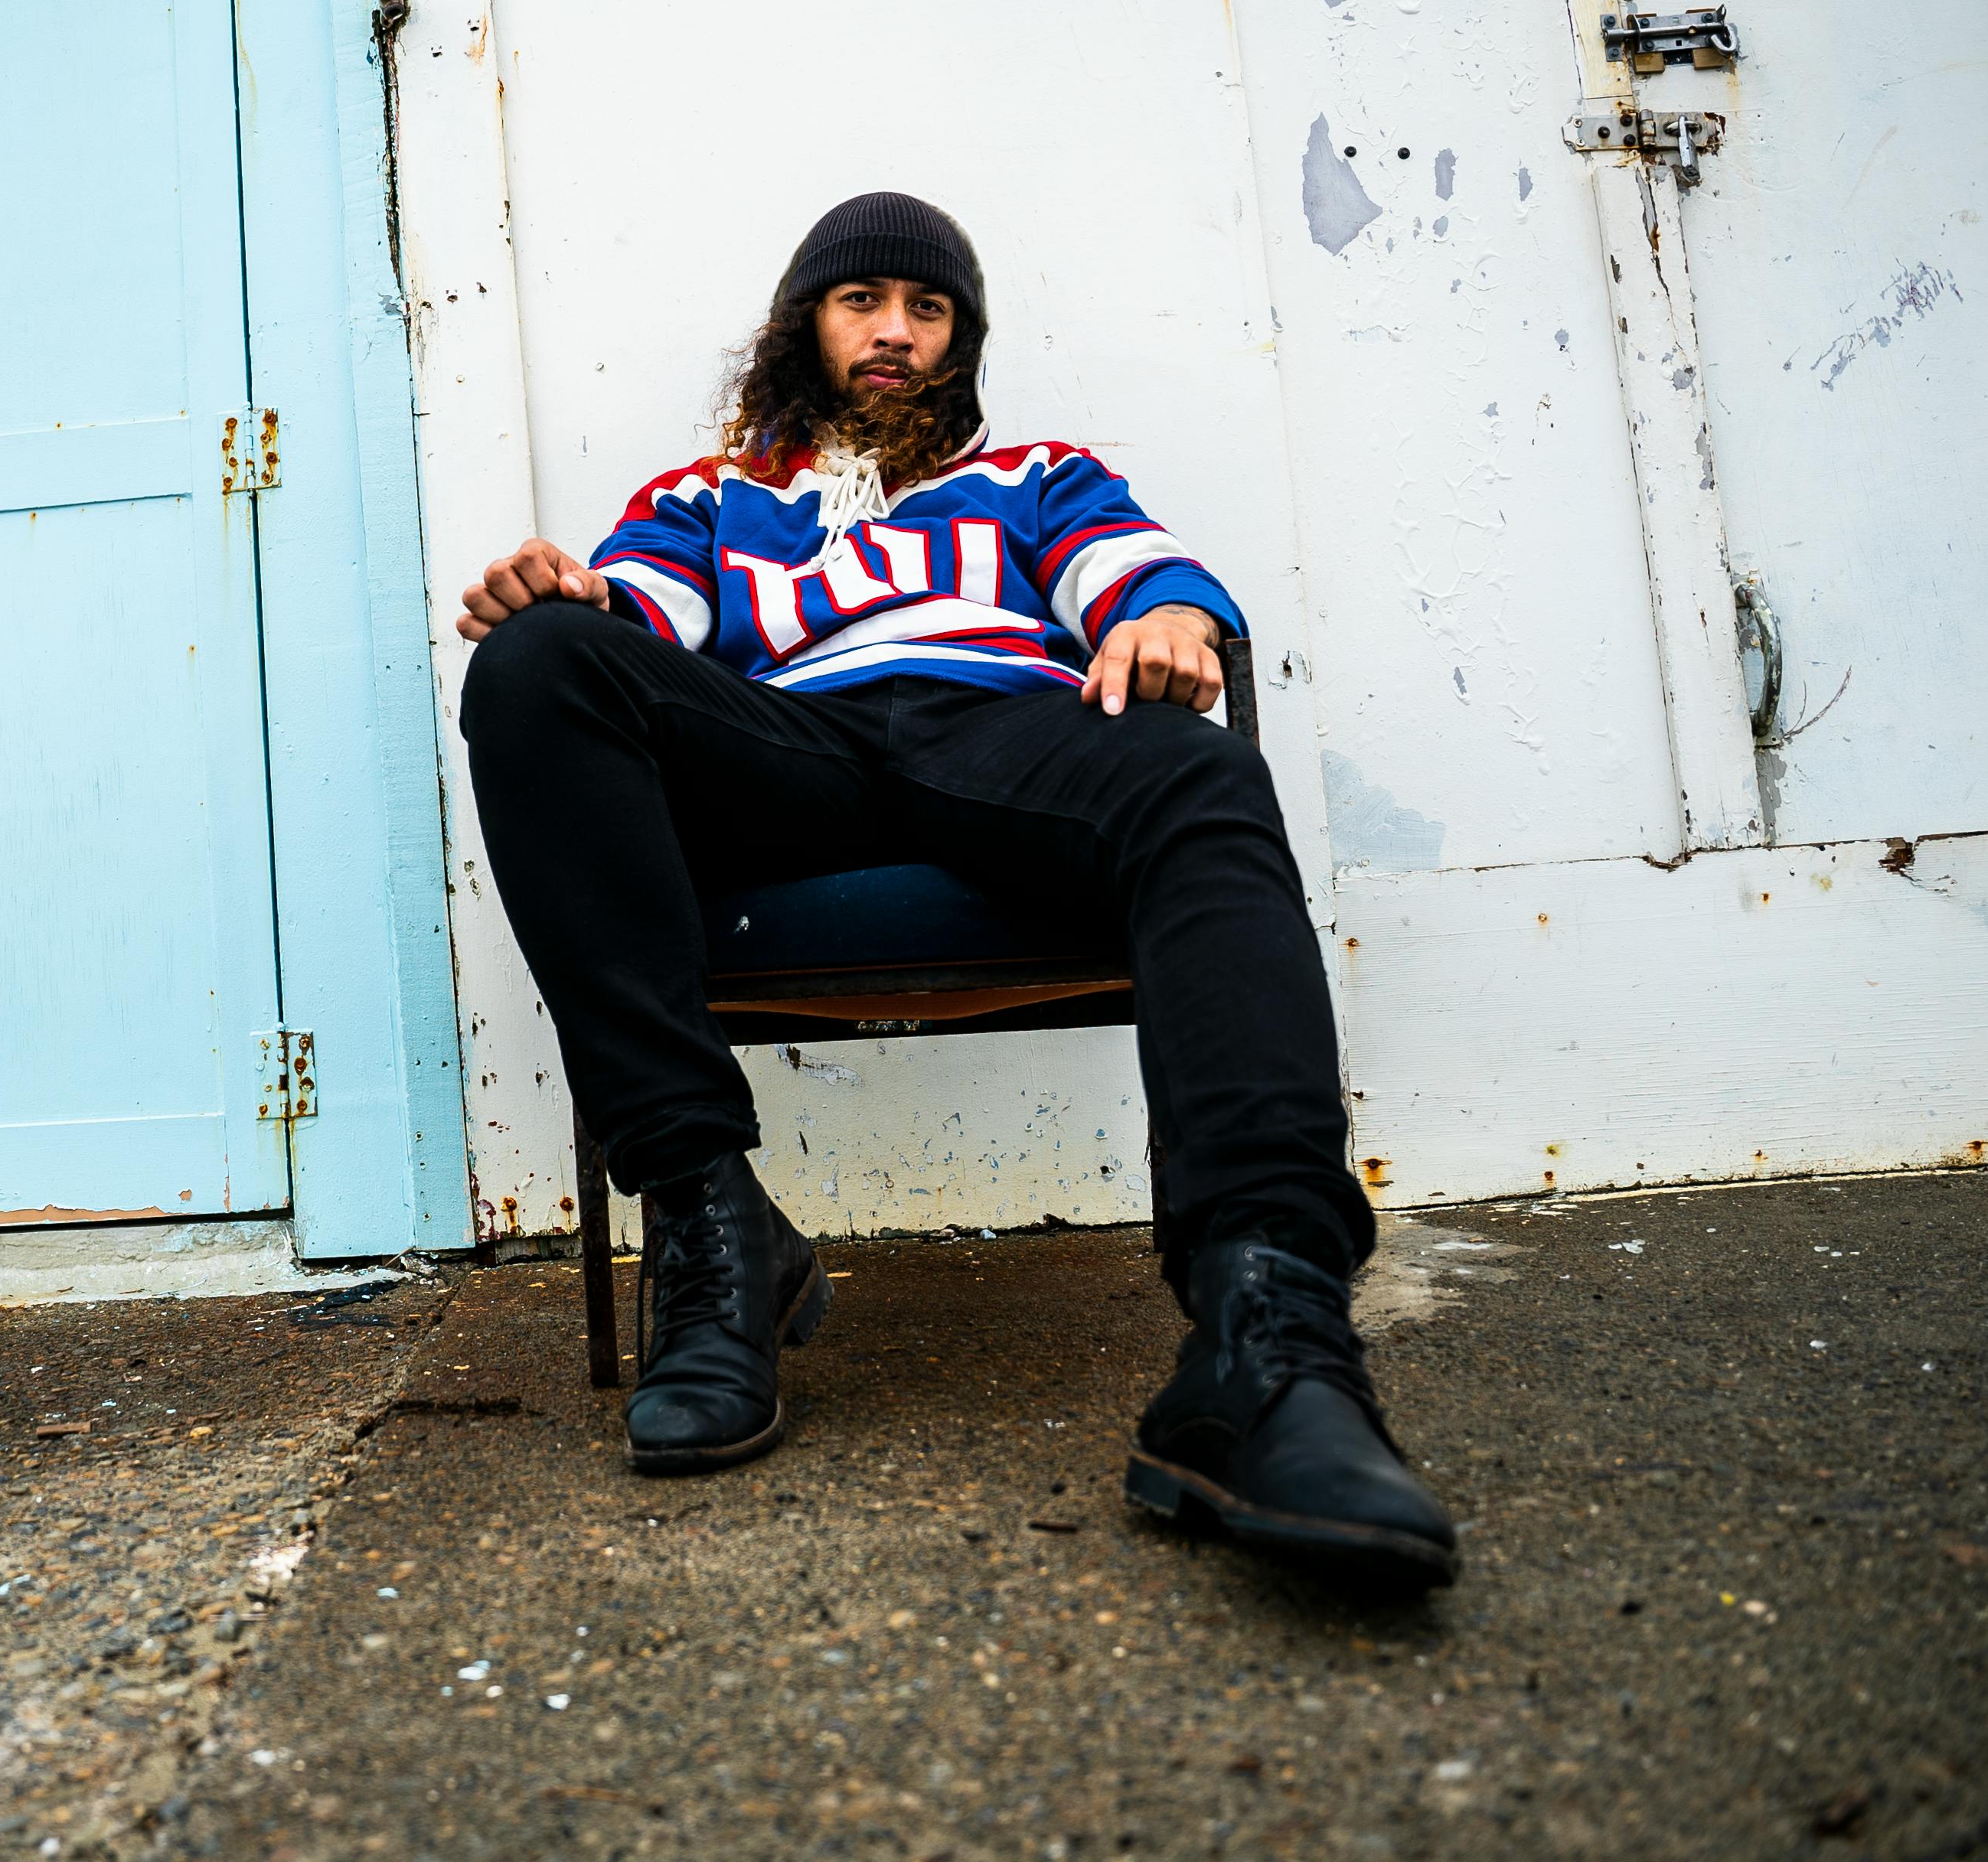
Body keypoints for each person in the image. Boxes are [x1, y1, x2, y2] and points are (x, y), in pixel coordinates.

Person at [453, 193, 1458, 1591]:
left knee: (1197, 772)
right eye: (866, 301)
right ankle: (708, 1220)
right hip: (786, 748)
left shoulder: (1031, 471)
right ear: (807, 321)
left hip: (993, 731)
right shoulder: (712, 494)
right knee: (536, 665)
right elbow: (644, 615)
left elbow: (1130, 569)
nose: (897, 333)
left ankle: (1269, 1336)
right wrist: (563, 597)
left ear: (958, 346)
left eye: (928, 312)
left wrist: (1162, 616)